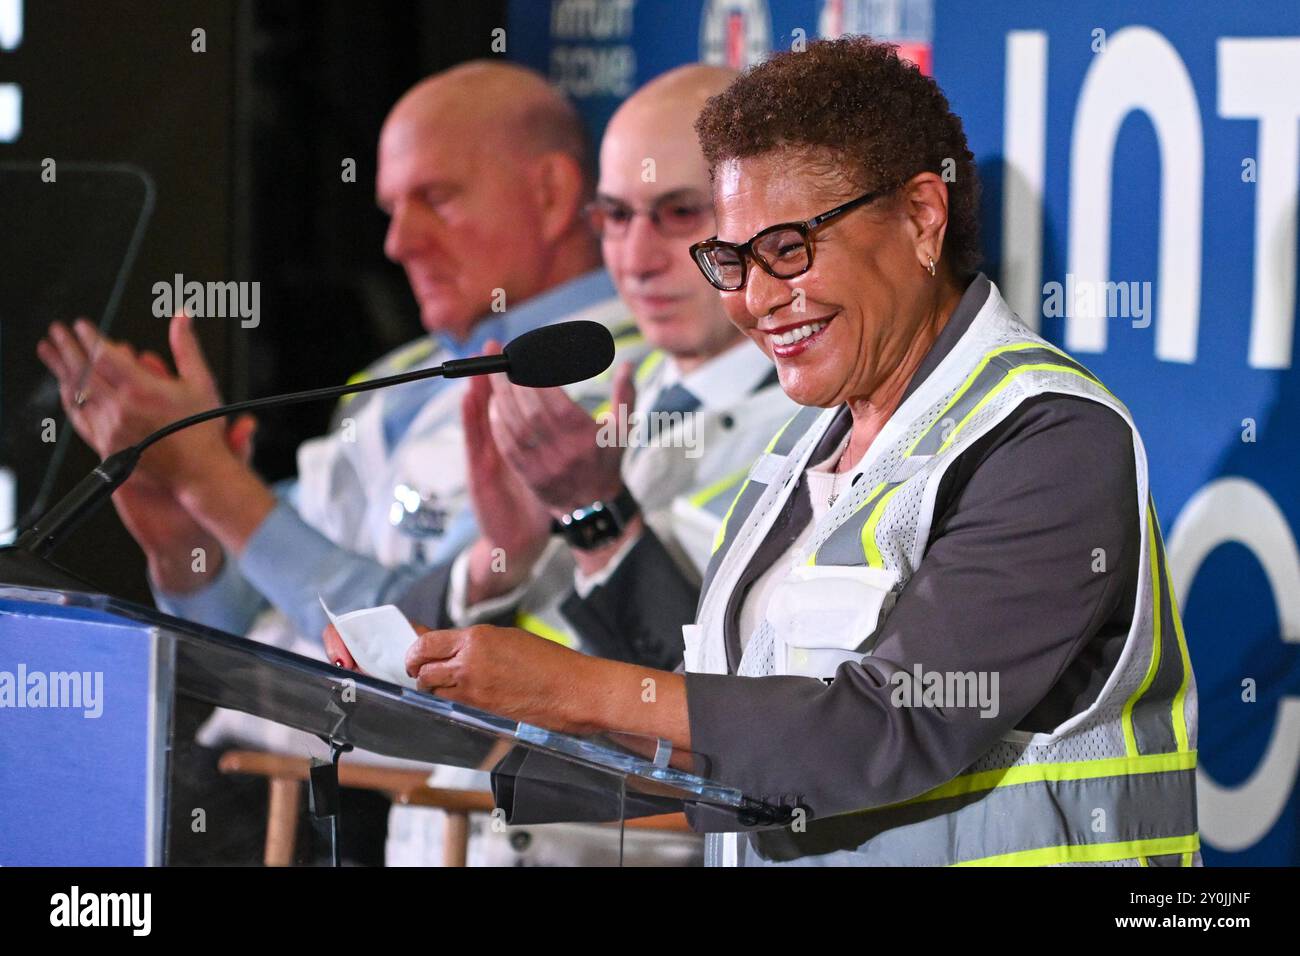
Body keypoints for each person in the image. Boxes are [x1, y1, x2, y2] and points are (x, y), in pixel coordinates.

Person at [359, 38, 1201, 867]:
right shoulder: (809, 442)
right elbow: (749, 737)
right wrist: (466, 715)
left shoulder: (1050, 438)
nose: (756, 300)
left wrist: (571, 689)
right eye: (731, 260)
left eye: (790, 250)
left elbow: (887, 728)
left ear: (921, 217)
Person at [36, 60, 642, 862]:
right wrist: (184, 542)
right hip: (273, 788)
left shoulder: (623, 377)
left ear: (554, 194)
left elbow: (420, 643)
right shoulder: (397, 374)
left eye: (438, 198)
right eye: (391, 208)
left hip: (432, 812)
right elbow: (251, 626)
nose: (398, 241)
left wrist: (216, 483)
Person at [379, 63, 797, 866]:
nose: (634, 258)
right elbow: (392, 673)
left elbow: (737, 734)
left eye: (679, 213)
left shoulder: (821, 426)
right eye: (613, 216)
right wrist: (499, 557)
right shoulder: (581, 391)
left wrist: (598, 520)